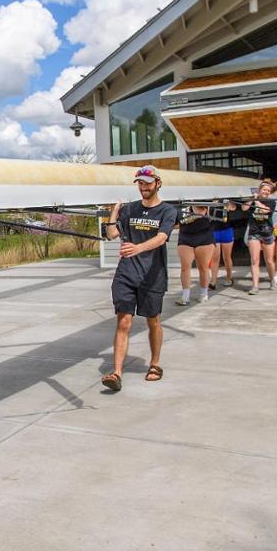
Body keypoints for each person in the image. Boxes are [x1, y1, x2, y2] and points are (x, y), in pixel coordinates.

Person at [102, 165, 177, 391]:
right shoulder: (131, 209)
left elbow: (162, 238)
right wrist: (115, 211)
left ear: (158, 183)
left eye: (147, 183)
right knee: (123, 320)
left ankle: (155, 364)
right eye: (140, 184)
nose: (144, 187)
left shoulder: (167, 211)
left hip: (152, 275)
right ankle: (116, 373)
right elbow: (112, 234)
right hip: (126, 273)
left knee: (152, 320)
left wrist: (138, 248)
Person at [173, 203, 216, 306]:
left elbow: (201, 212)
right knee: (185, 266)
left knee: (203, 267)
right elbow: (174, 223)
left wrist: (194, 208)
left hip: (204, 237)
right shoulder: (179, 205)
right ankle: (185, 296)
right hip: (185, 237)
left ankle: (203, 293)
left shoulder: (203, 200)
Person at [240, 181, 277, 295]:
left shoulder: (272, 201)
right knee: (254, 260)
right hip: (254, 232)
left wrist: (257, 201)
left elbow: (266, 210)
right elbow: (244, 208)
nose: (266, 192)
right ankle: (255, 285)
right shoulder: (252, 199)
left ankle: (272, 279)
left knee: (269, 261)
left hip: (267, 233)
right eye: (264, 190)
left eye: (268, 190)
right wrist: (252, 199)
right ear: (259, 190)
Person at [209, 202, 239, 288]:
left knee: (226, 257)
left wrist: (229, 205)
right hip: (214, 230)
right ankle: (213, 281)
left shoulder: (225, 198)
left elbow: (234, 207)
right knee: (215, 257)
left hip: (226, 229)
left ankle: (229, 278)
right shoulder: (208, 199)